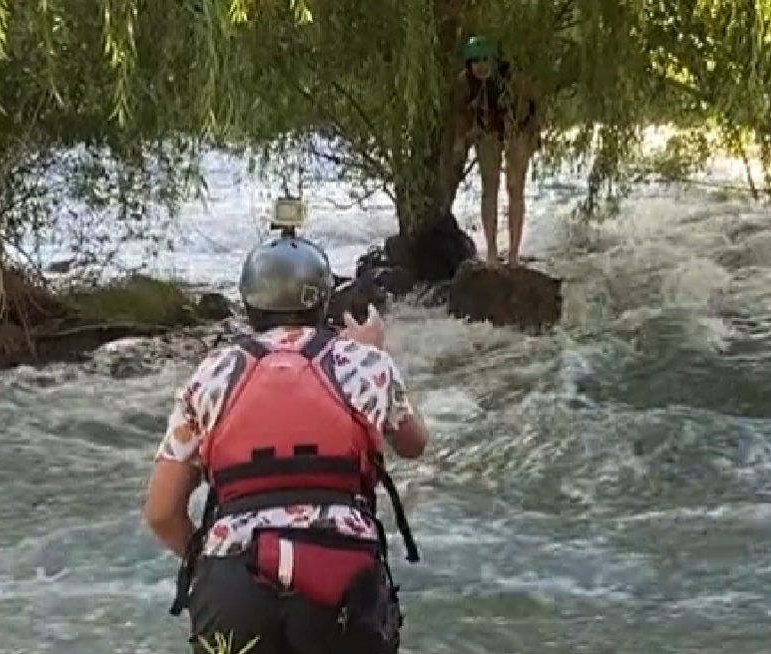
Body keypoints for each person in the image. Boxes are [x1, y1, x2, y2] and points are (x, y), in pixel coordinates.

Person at [143, 232, 431, 654]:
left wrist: (209, 564)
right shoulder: (364, 362)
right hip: (342, 585)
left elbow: (161, 512)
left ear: (248, 304)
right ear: (323, 301)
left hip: (234, 590)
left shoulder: (210, 375)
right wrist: (375, 356)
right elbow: (413, 443)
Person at [447, 35, 542, 268]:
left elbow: (535, 106)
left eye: (485, 59)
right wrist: (462, 139)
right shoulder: (465, 82)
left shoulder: (514, 79)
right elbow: (461, 113)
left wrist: (532, 137)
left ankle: (514, 255)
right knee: (489, 187)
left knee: (515, 187)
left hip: (517, 128)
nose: (481, 66)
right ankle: (491, 252)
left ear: (494, 59)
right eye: (475, 61)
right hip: (487, 130)